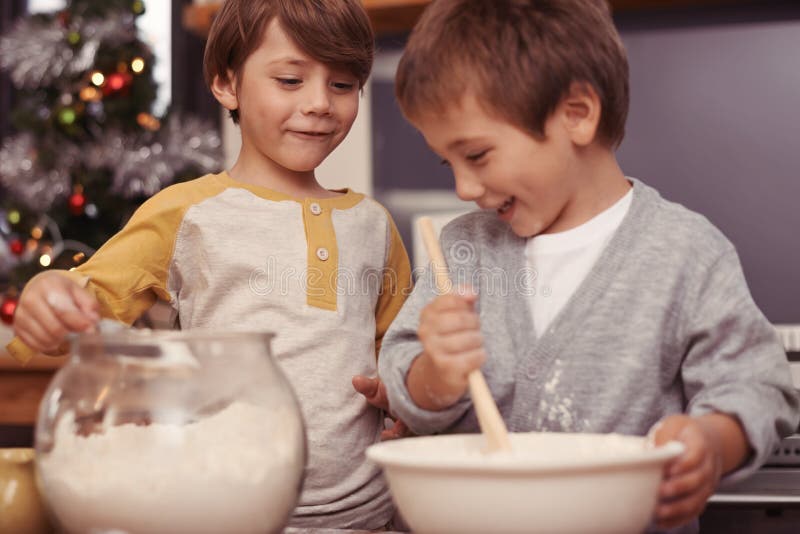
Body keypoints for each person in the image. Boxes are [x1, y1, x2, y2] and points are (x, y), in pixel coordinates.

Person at [376, 1, 799, 533]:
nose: (462, 188)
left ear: (576, 115)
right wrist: (434, 375)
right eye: (449, 162)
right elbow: (403, 379)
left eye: (478, 156)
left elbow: (756, 385)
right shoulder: (464, 248)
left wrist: (712, 442)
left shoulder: (685, 252)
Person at [8, 0, 411, 529]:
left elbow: (402, 350)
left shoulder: (374, 224)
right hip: (226, 509)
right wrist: (49, 294)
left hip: (369, 515)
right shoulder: (187, 213)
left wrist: (404, 395)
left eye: (342, 84)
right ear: (226, 85)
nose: (319, 103)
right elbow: (83, 306)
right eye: (290, 80)